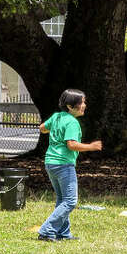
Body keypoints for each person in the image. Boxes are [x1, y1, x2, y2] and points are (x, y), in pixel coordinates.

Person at [37, 89, 102, 241]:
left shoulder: (57, 116)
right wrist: (91, 147)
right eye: (81, 103)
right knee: (71, 201)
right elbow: (71, 145)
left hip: (50, 163)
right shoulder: (72, 122)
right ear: (70, 106)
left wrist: (53, 131)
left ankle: (63, 233)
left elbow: (42, 128)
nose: (84, 105)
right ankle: (46, 230)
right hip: (63, 164)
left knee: (62, 199)